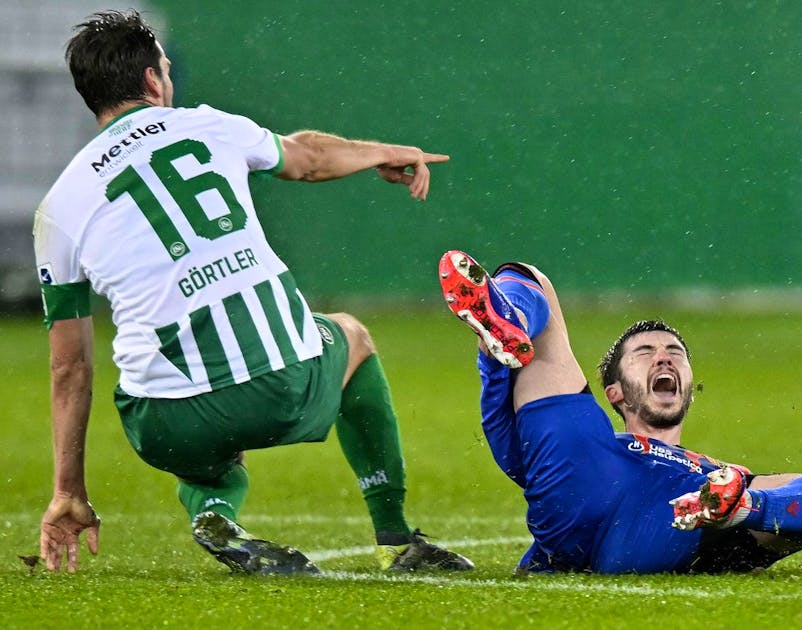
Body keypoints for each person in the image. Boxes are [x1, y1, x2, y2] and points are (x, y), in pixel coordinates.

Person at [33, 9, 474, 576]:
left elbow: (69, 366)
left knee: (201, 453)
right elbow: (308, 158)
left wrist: (69, 489)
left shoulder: (57, 210)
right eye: (165, 69)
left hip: (162, 423)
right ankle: (395, 538)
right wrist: (384, 152)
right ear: (151, 81)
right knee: (353, 337)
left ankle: (215, 515)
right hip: (274, 384)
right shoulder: (206, 125)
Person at [438, 250, 802, 574]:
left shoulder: (711, 474)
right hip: (586, 479)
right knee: (530, 277)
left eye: (674, 353)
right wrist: (493, 359)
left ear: (688, 388)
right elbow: (508, 435)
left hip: (672, 524)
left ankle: (745, 510)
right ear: (615, 393)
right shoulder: (597, 440)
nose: (664, 358)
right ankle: (504, 321)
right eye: (645, 353)